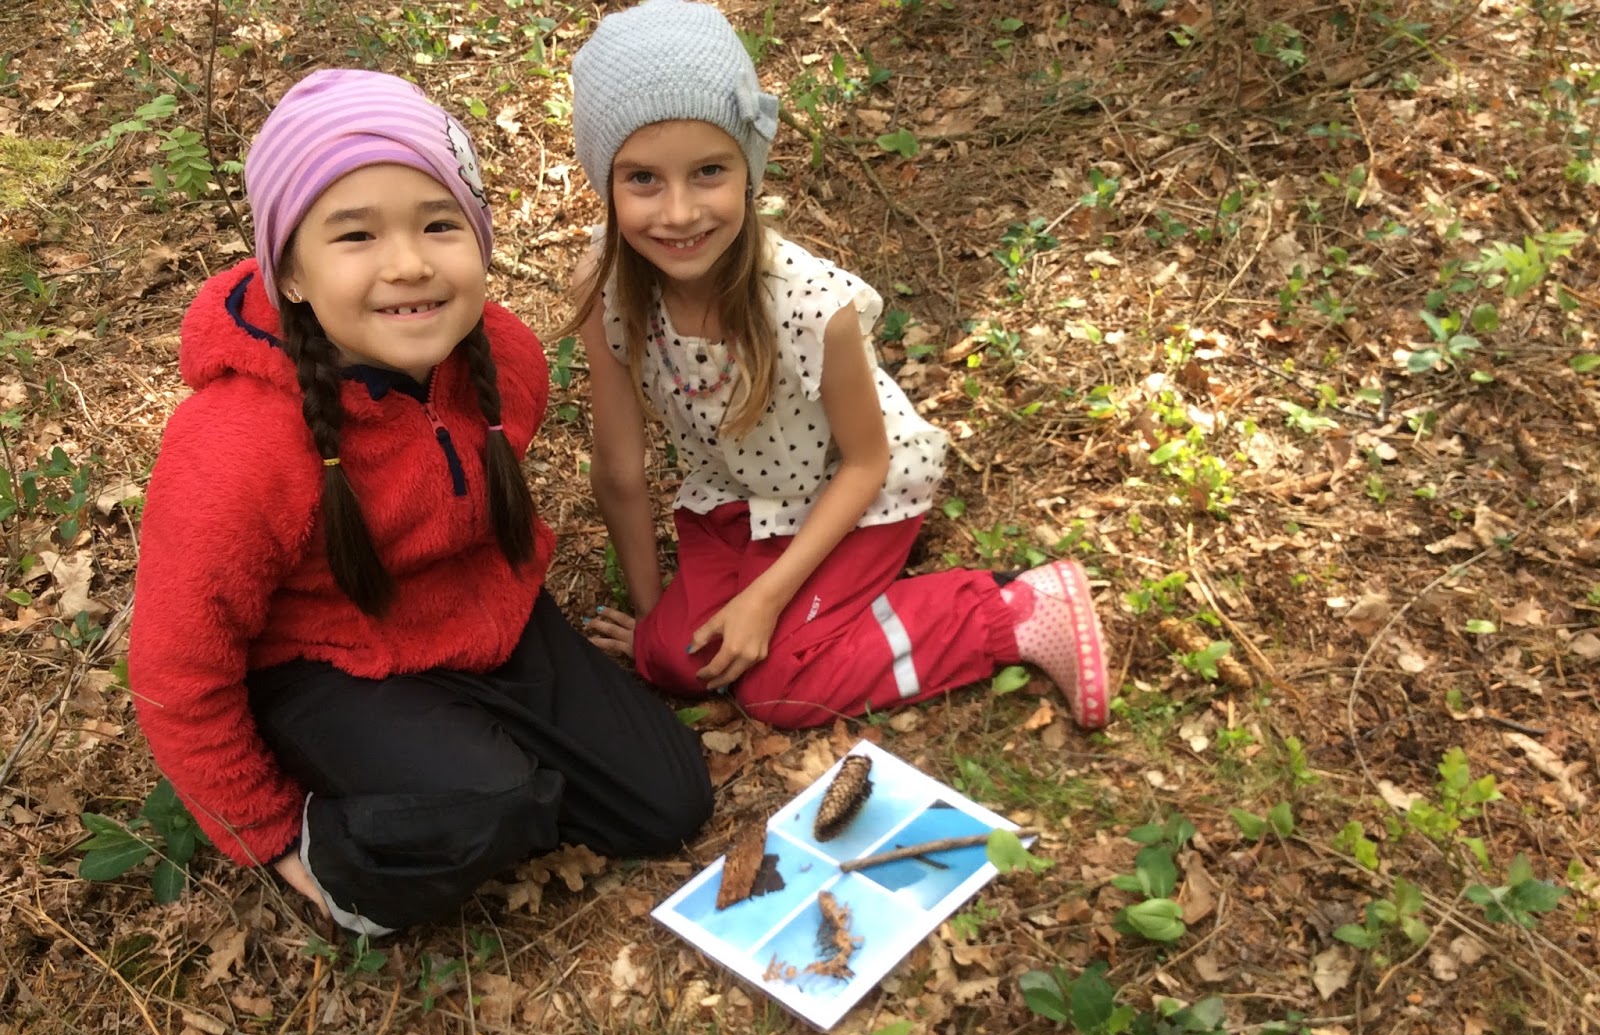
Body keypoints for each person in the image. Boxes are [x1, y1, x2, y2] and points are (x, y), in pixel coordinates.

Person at [128, 69, 713, 936]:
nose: (408, 263)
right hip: (329, 665)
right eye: (354, 234)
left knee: (669, 802)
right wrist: (271, 836)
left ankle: (484, 769)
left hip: (482, 624)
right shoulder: (236, 450)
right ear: (288, 267)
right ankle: (357, 846)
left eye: (439, 223)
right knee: (492, 799)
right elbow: (177, 671)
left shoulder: (505, 359)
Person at [564, 0, 1110, 732]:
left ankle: (1011, 609)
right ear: (606, 180)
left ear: (748, 169)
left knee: (777, 690)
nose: (681, 211)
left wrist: (767, 598)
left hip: (853, 493)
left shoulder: (811, 304)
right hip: (739, 497)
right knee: (675, 659)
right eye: (642, 180)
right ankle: (755, 621)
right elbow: (619, 470)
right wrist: (653, 614)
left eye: (709, 171)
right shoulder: (606, 288)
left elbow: (865, 460)